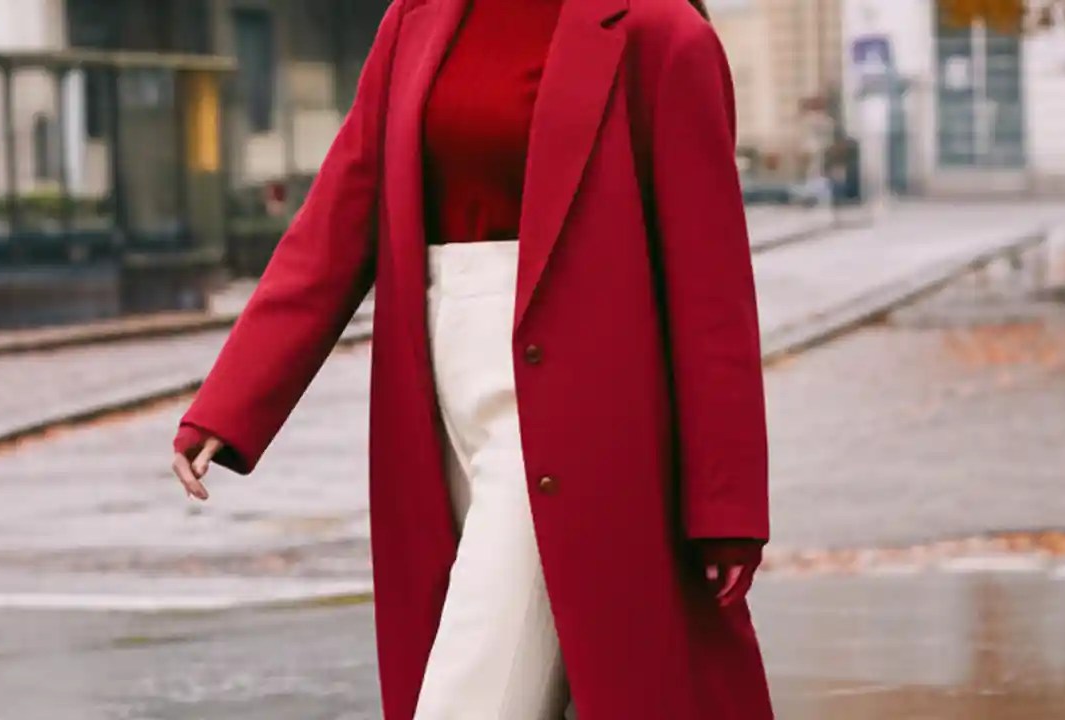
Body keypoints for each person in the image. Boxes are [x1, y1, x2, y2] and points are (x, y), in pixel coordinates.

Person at [171, 0, 773, 716]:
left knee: (472, 695)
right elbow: (337, 221)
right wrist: (233, 400)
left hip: (582, 411)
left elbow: (711, 282)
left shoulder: (659, 31)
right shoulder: (415, 21)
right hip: (435, 401)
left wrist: (727, 498)